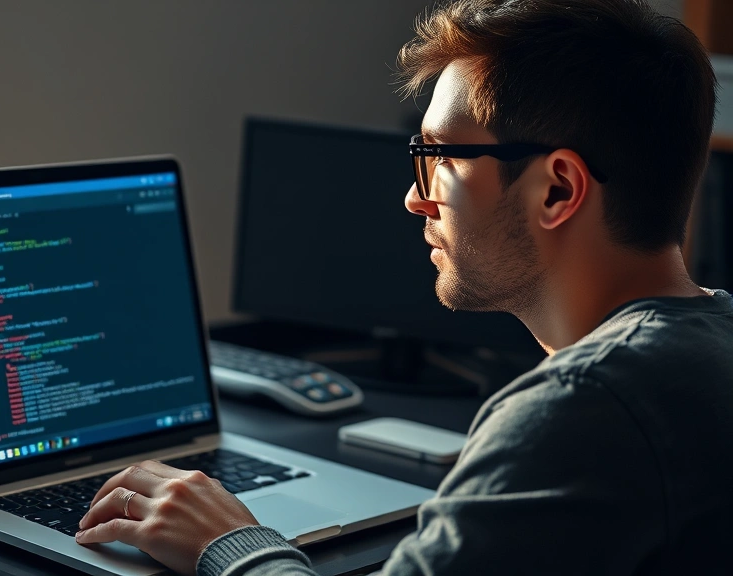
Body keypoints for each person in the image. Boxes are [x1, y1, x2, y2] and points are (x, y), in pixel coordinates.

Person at [72, 1, 733, 574]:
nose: (415, 201)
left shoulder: (584, 409)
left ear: (556, 189)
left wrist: (232, 542)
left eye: (439, 157)